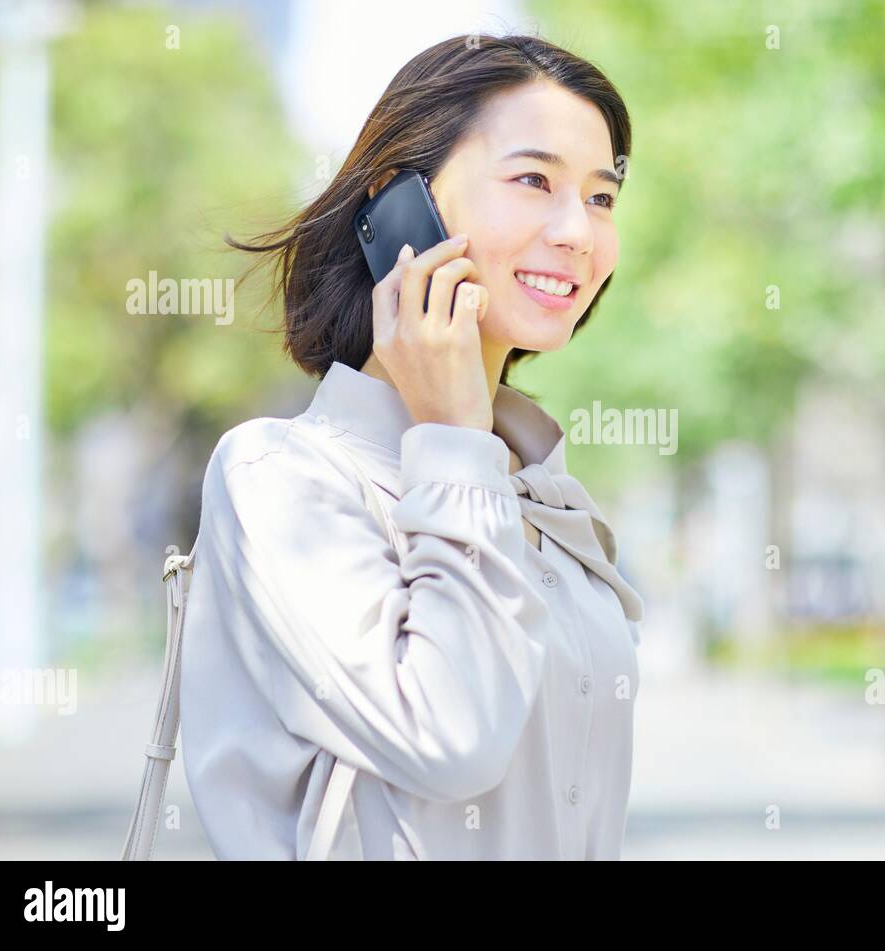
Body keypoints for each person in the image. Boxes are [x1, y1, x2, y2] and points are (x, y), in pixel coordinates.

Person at [179, 33, 644, 860]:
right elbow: (452, 738)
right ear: (400, 206)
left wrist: (470, 447)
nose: (578, 230)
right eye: (534, 180)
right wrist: (453, 438)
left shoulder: (544, 494)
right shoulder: (282, 481)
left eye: (601, 197)